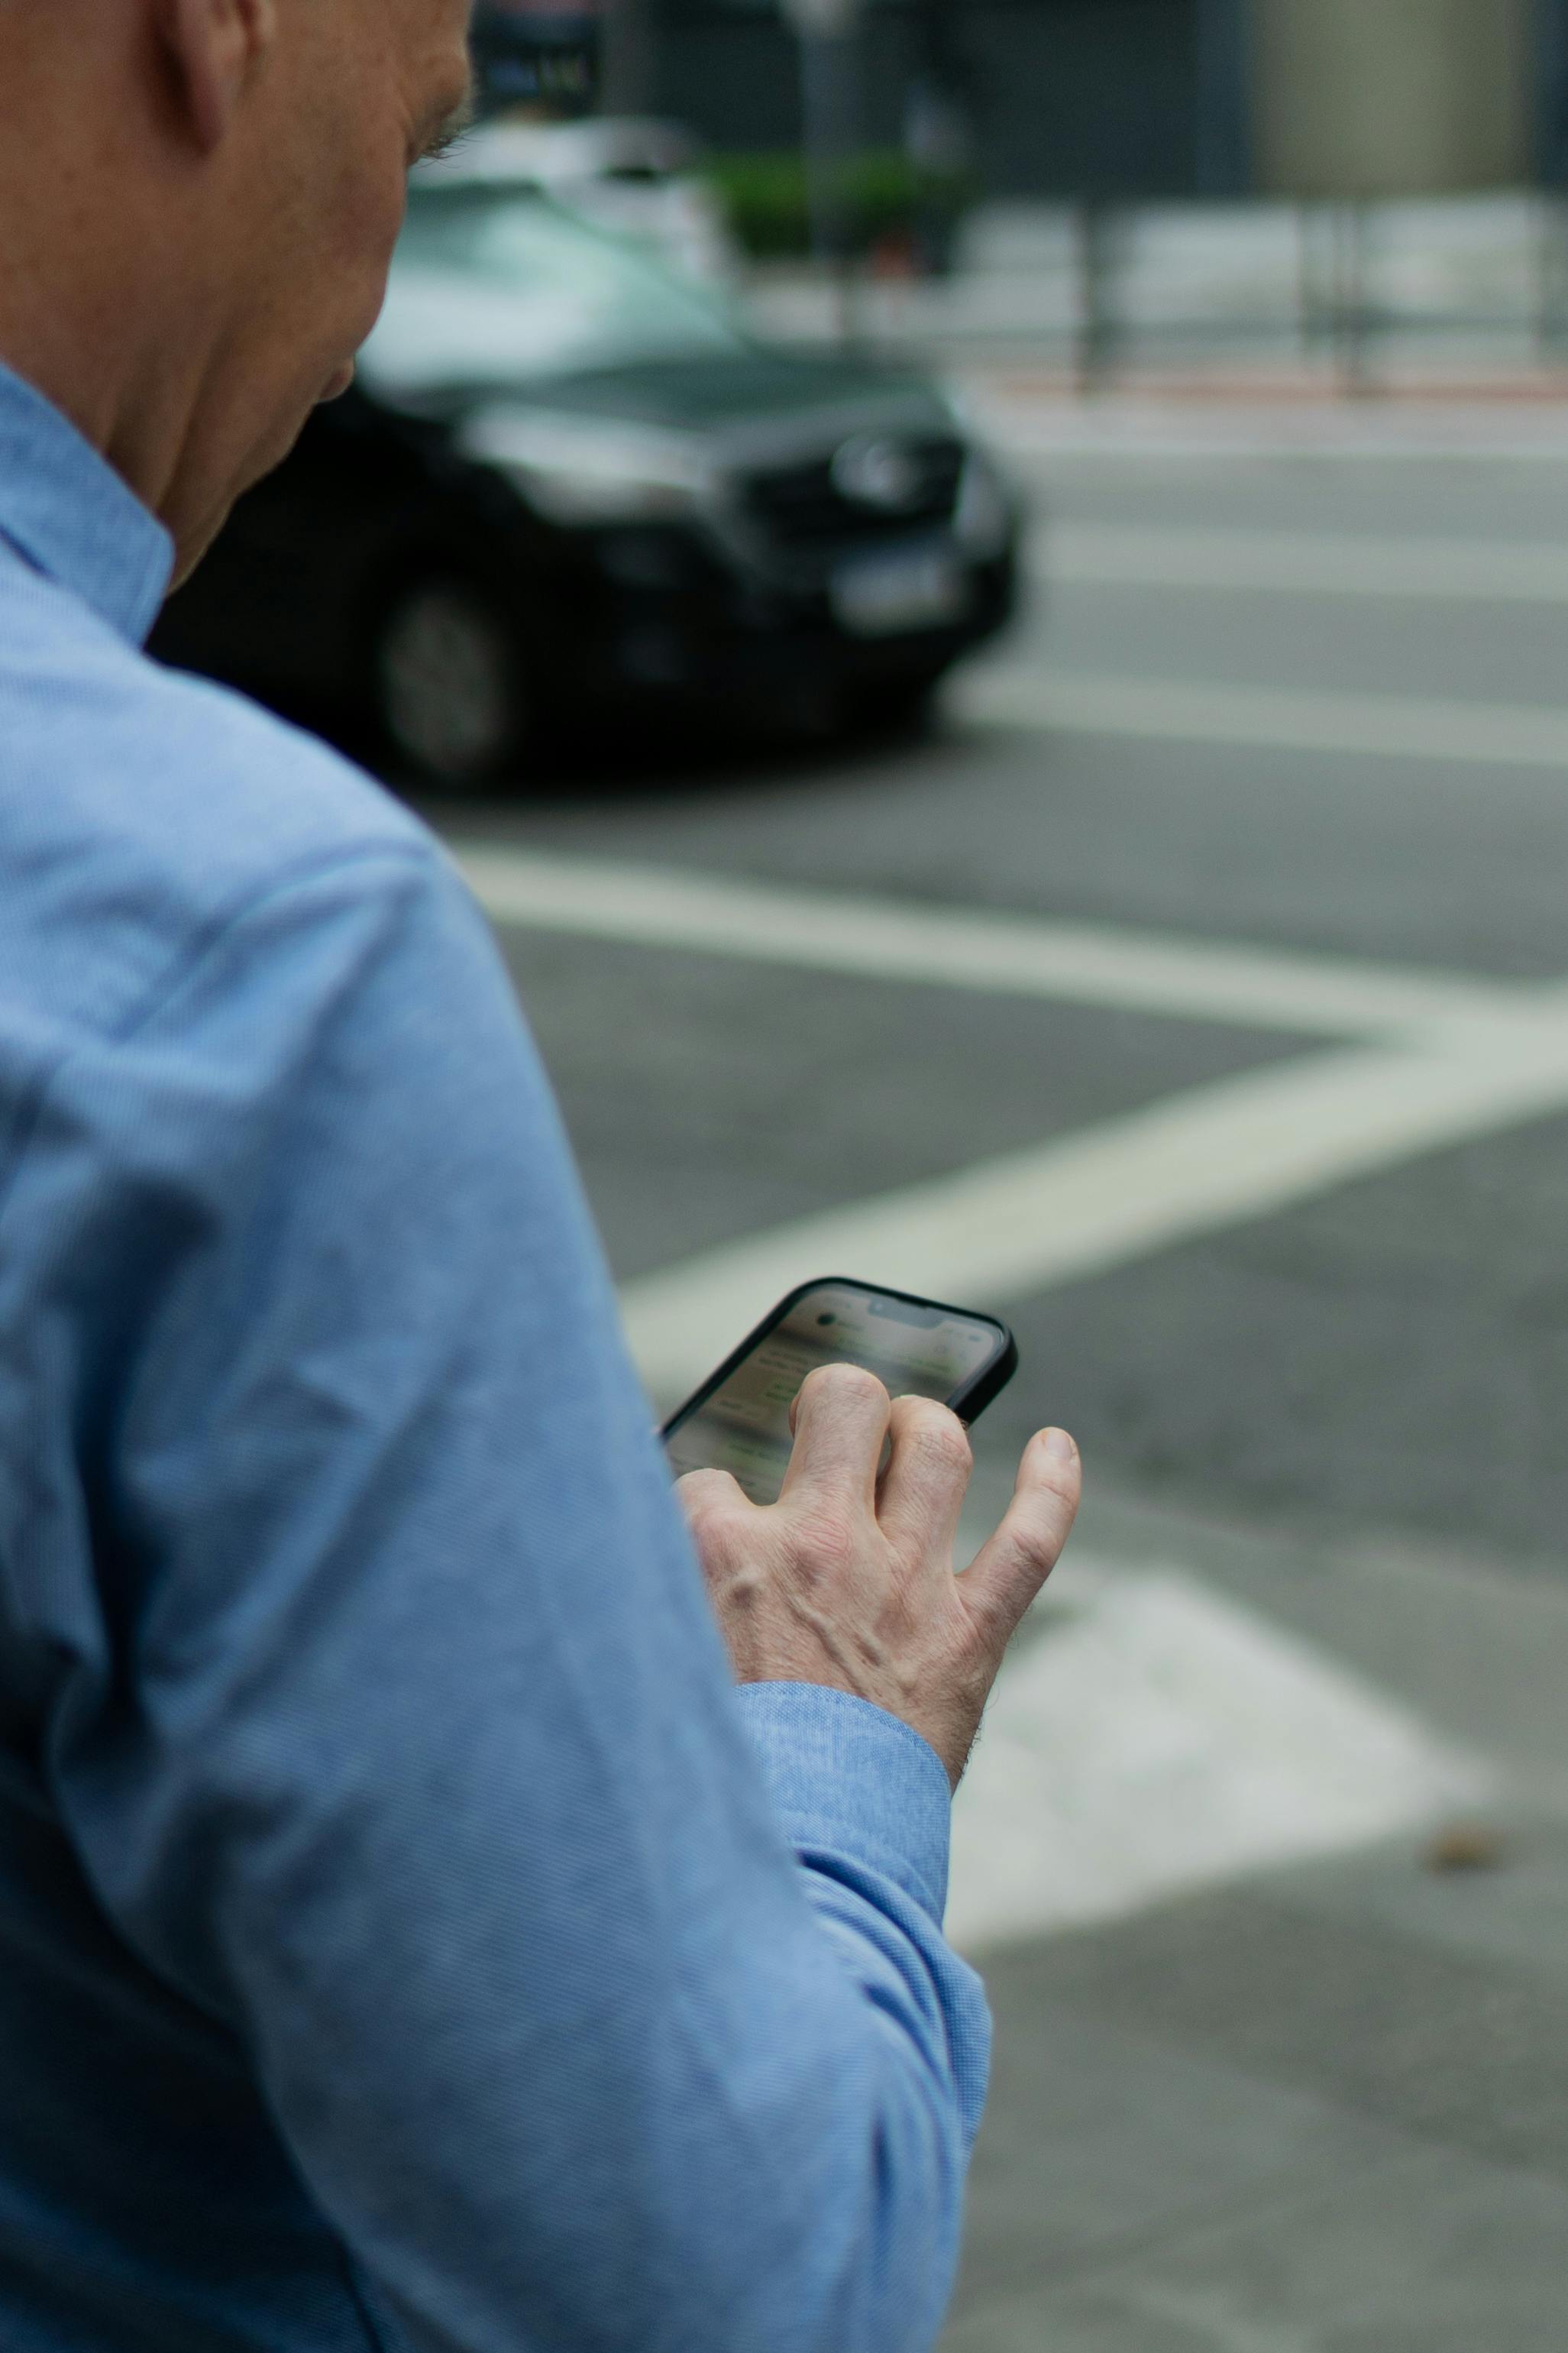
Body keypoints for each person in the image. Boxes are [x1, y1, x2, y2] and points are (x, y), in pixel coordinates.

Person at [0, 4, 1082, 2348]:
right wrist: (832, 1737)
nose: (441, 92)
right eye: (418, 103)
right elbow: (720, 2299)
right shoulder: (233, 971)